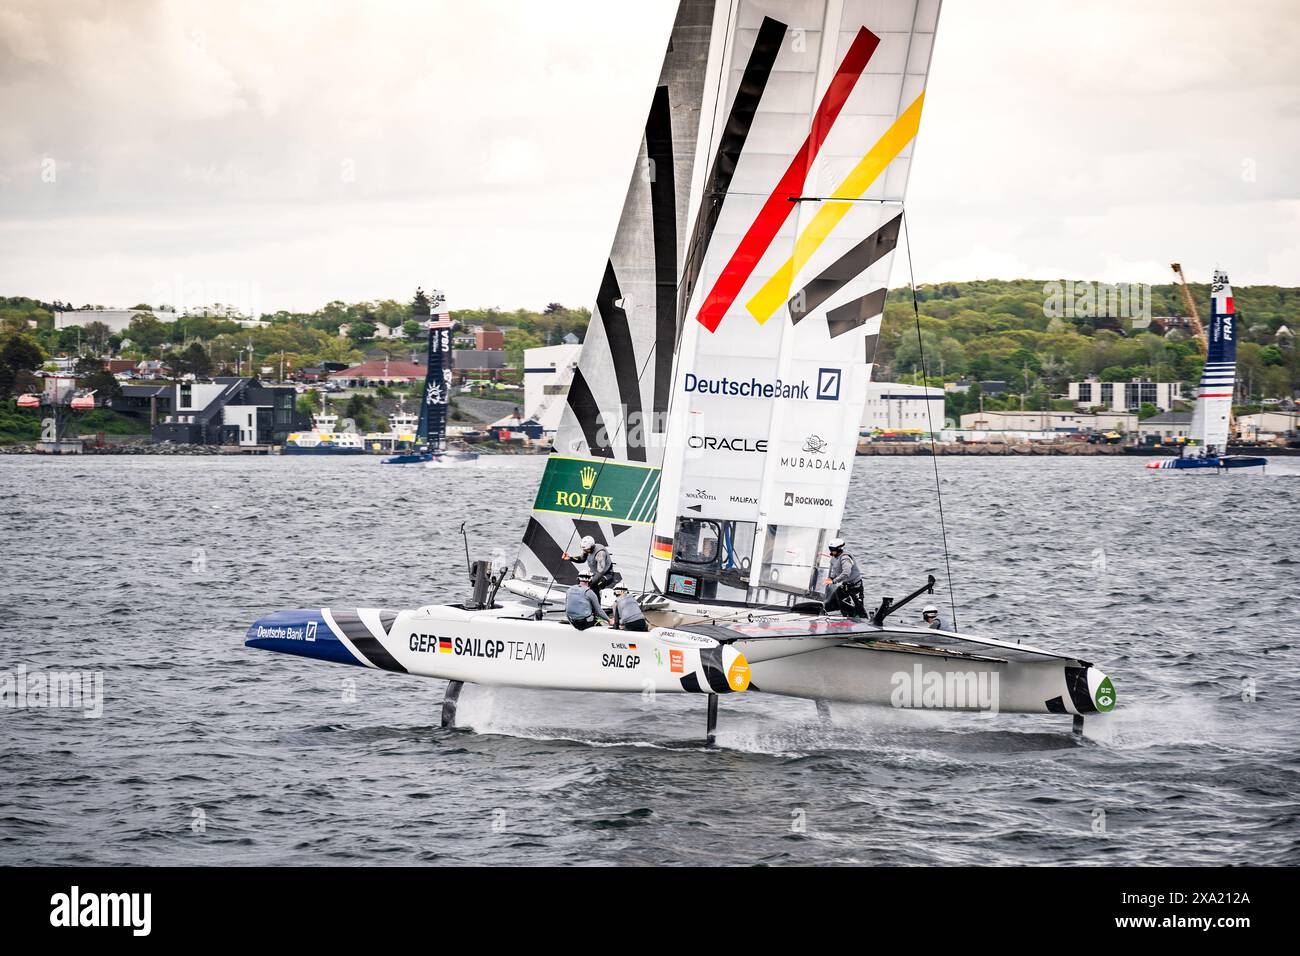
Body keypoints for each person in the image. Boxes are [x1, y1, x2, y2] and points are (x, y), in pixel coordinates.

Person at [823, 538, 866, 618]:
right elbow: (836, 572)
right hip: (845, 586)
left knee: (859, 609)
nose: (831, 551)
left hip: (855, 587)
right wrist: (831, 578)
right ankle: (846, 615)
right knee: (831, 602)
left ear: (839, 549)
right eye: (830, 549)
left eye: (833, 550)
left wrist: (834, 581)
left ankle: (861, 619)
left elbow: (846, 573)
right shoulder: (834, 559)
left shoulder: (845, 558)